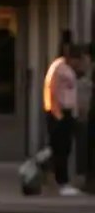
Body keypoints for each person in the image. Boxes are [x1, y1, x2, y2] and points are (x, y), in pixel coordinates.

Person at [43, 43, 83, 196]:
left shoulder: (66, 69)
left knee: (64, 148)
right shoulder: (59, 68)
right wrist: (58, 114)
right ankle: (61, 181)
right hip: (59, 113)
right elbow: (53, 91)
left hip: (66, 113)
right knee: (60, 148)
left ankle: (58, 180)